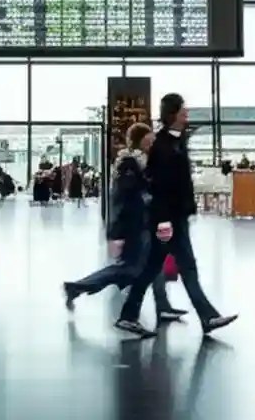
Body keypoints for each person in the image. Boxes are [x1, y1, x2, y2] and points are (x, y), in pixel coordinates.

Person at [116, 93, 237, 339]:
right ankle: (207, 317)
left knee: (153, 268)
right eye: (183, 111)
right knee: (185, 266)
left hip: (173, 217)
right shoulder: (163, 146)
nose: (186, 114)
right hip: (167, 219)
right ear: (173, 114)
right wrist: (163, 220)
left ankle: (129, 316)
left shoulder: (175, 142)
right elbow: (160, 185)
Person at [63, 123, 184, 323]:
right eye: (149, 138)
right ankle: (78, 286)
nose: (152, 142)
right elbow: (125, 198)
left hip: (146, 222)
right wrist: (117, 232)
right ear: (140, 139)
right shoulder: (130, 163)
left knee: (156, 264)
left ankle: (163, 306)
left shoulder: (143, 162)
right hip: (135, 226)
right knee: (129, 269)